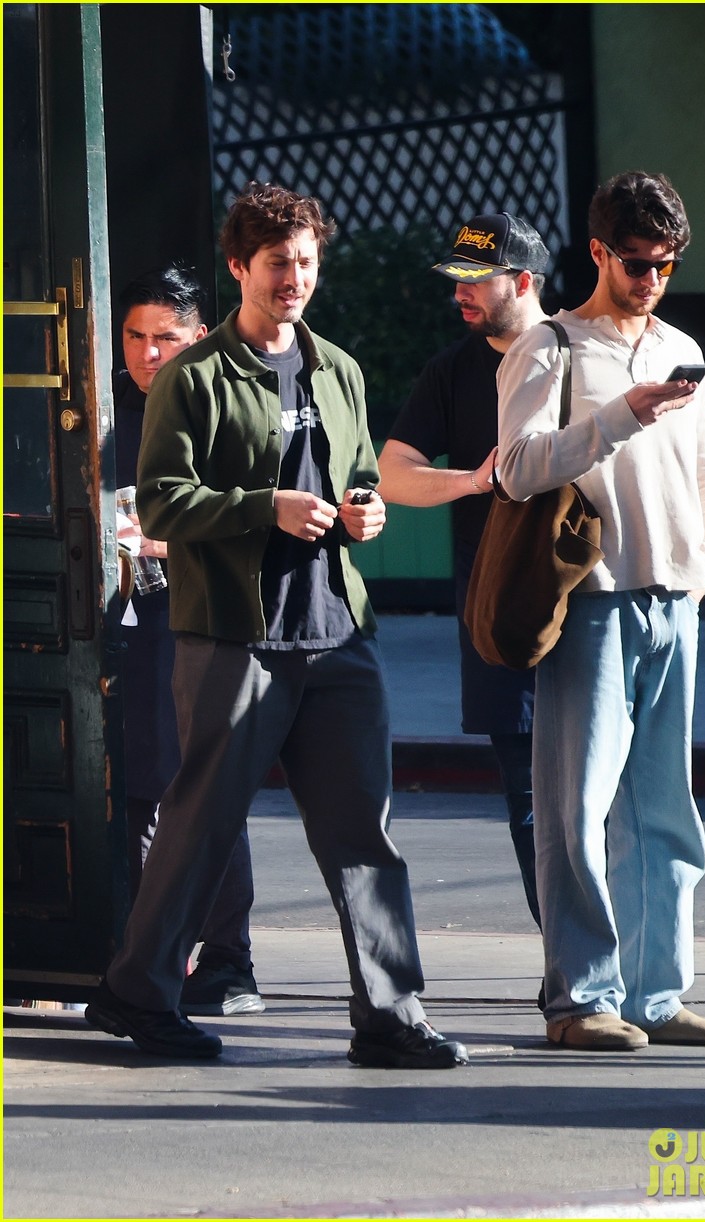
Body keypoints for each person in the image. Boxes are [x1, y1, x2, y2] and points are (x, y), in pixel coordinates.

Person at [86, 183, 468, 1069]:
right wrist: (267, 505)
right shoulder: (195, 377)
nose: (292, 278)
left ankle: (389, 1015)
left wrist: (366, 511)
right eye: (275, 264)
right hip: (235, 637)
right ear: (239, 268)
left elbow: (362, 474)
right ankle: (137, 994)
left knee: (363, 834)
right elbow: (162, 502)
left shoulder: (338, 369)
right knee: (198, 827)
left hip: (337, 633)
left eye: (304, 262)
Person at [496, 171, 705, 1051]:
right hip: (590, 601)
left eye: (666, 264)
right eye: (636, 263)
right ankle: (580, 998)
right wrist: (620, 416)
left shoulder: (679, 344)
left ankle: (655, 994)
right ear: (598, 252)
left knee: (663, 812)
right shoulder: (551, 347)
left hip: (675, 600)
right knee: (576, 811)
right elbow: (516, 468)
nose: (651, 280)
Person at [378, 213, 549, 929]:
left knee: (606, 800)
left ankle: (613, 964)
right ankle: (567, 964)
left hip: (587, 607)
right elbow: (393, 474)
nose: (460, 294)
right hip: (497, 612)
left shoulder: (576, 355)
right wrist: (471, 482)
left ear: (523, 281)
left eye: (476, 281)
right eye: (456, 280)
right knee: (528, 803)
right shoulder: (452, 370)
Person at [114, 266, 264, 1017]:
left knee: (205, 789)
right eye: (135, 337)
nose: (148, 354)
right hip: (121, 624)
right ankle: (145, 959)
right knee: (141, 789)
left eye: (165, 338)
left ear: (198, 337)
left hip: (203, 619)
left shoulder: (222, 404)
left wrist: (162, 539)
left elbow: (259, 520)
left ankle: (228, 959)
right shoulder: (103, 410)